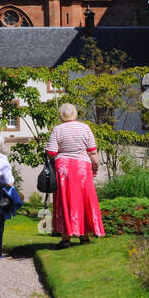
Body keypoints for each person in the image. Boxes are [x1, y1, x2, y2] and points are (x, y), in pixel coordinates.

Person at [44, 103, 104, 247]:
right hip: (82, 168)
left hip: (64, 169)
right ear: (75, 113)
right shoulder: (85, 128)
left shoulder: (57, 129)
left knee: (65, 202)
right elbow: (92, 151)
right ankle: (84, 237)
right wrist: (95, 166)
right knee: (84, 200)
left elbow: (51, 153)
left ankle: (66, 240)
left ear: (61, 115)